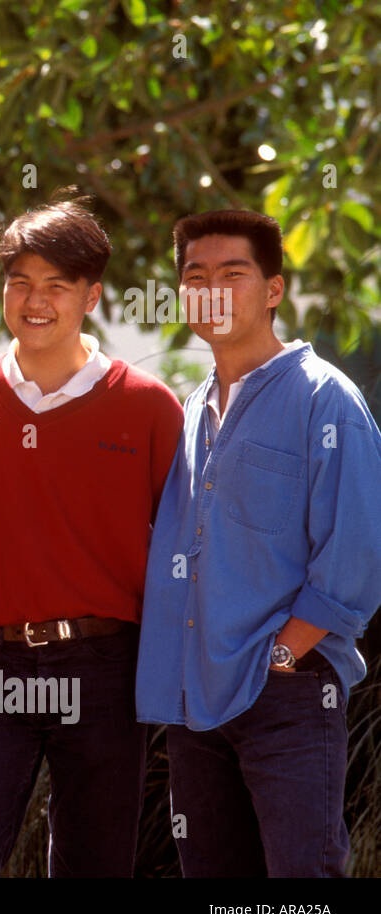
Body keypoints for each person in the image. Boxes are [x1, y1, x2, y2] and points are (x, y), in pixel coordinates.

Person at [0, 194, 185, 877]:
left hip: (104, 670)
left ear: (90, 296)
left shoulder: (149, 406)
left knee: (95, 865)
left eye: (56, 287)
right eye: (19, 282)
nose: (34, 301)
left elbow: (187, 545)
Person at [137, 209, 381, 877]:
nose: (212, 288)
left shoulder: (326, 400)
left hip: (291, 696)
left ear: (273, 289)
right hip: (199, 705)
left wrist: (280, 655)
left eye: (232, 273)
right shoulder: (193, 410)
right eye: (195, 275)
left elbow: (357, 555)